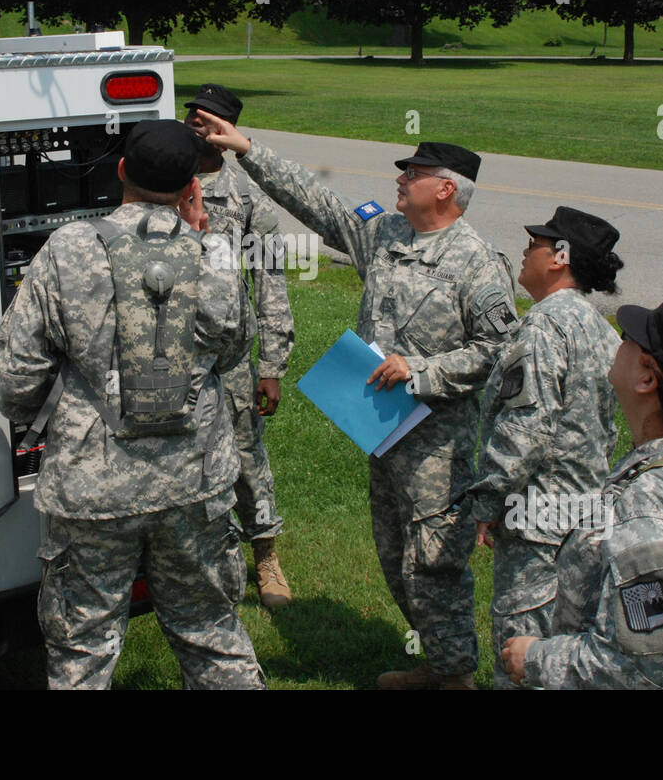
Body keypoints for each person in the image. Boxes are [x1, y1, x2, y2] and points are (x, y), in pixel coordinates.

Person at [204, 117, 517, 690]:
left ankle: (456, 679)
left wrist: (420, 371)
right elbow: (316, 200)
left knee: (434, 564)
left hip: (436, 447)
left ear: (446, 188)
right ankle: (436, 662)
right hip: (381, 430)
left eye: (414, 173)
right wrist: (247, 150)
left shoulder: (476, 261)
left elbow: (499, 350)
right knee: (396, 556)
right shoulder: (386, 233)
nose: (400, 180)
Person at [0, 119, 265, 690]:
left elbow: (18, 382)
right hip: (195, 482)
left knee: (83, 648)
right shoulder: (211, 252)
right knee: (212, 632)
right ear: (193, 185)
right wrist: (199, 239)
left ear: (120, 172)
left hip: (93, 490)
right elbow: (237, 347)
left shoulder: (68, 248)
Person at [501, 291, 663, 689]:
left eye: (633, 337)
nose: (621, 338)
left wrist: (536, 657)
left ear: (647, 378)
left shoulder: (653, 511)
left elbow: (640, 668)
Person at [472, 207, 623, 688]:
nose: (525, 249)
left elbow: (525, 428)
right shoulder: (603, 330)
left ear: (560, 257)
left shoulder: (542, 328)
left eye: (537, 243)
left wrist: (488, 501)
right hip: (586, 517)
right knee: (565, 656)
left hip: (537, 522)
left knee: (523, 657)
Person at [184, 83, 297, 608]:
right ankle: (200, 555)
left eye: (207, 122)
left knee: (246, 454)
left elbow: (270, 281)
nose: (196, 128)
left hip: (229, 358)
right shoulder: (165, 182)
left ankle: (266, 555)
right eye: (191, 117)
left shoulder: (247, 195)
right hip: (175, 352)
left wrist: (271, 364)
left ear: (227, 133)